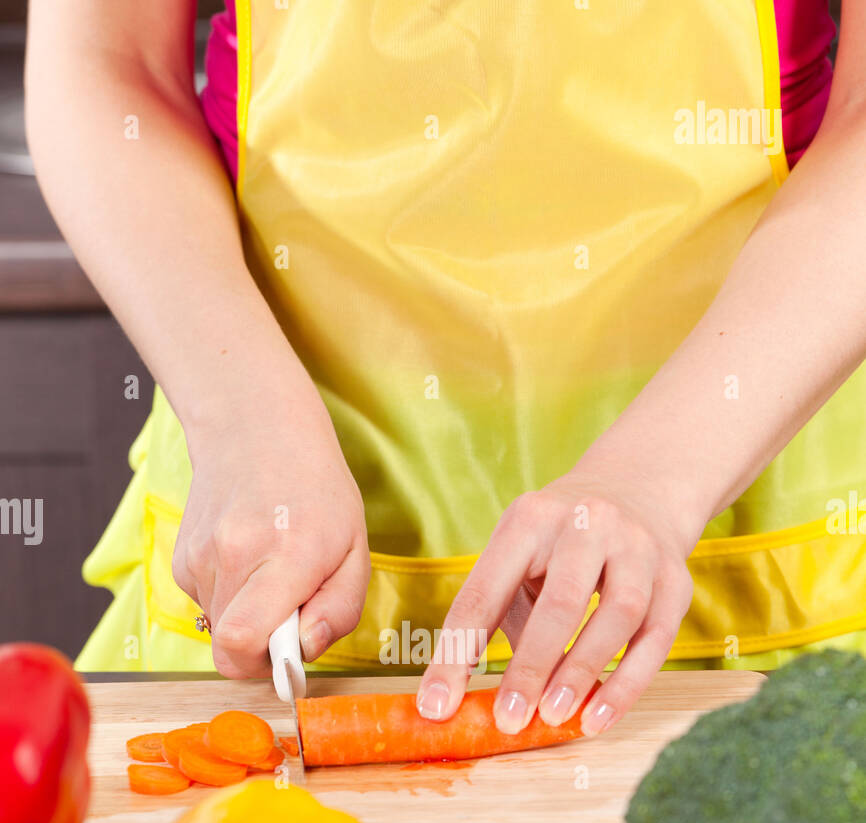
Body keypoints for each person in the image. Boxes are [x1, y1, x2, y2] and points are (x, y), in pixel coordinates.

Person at [26, 1, 866, 739]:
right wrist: (243, 421)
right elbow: (113, 64)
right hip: (270, 505)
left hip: (744, 512)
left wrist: (655, 478)